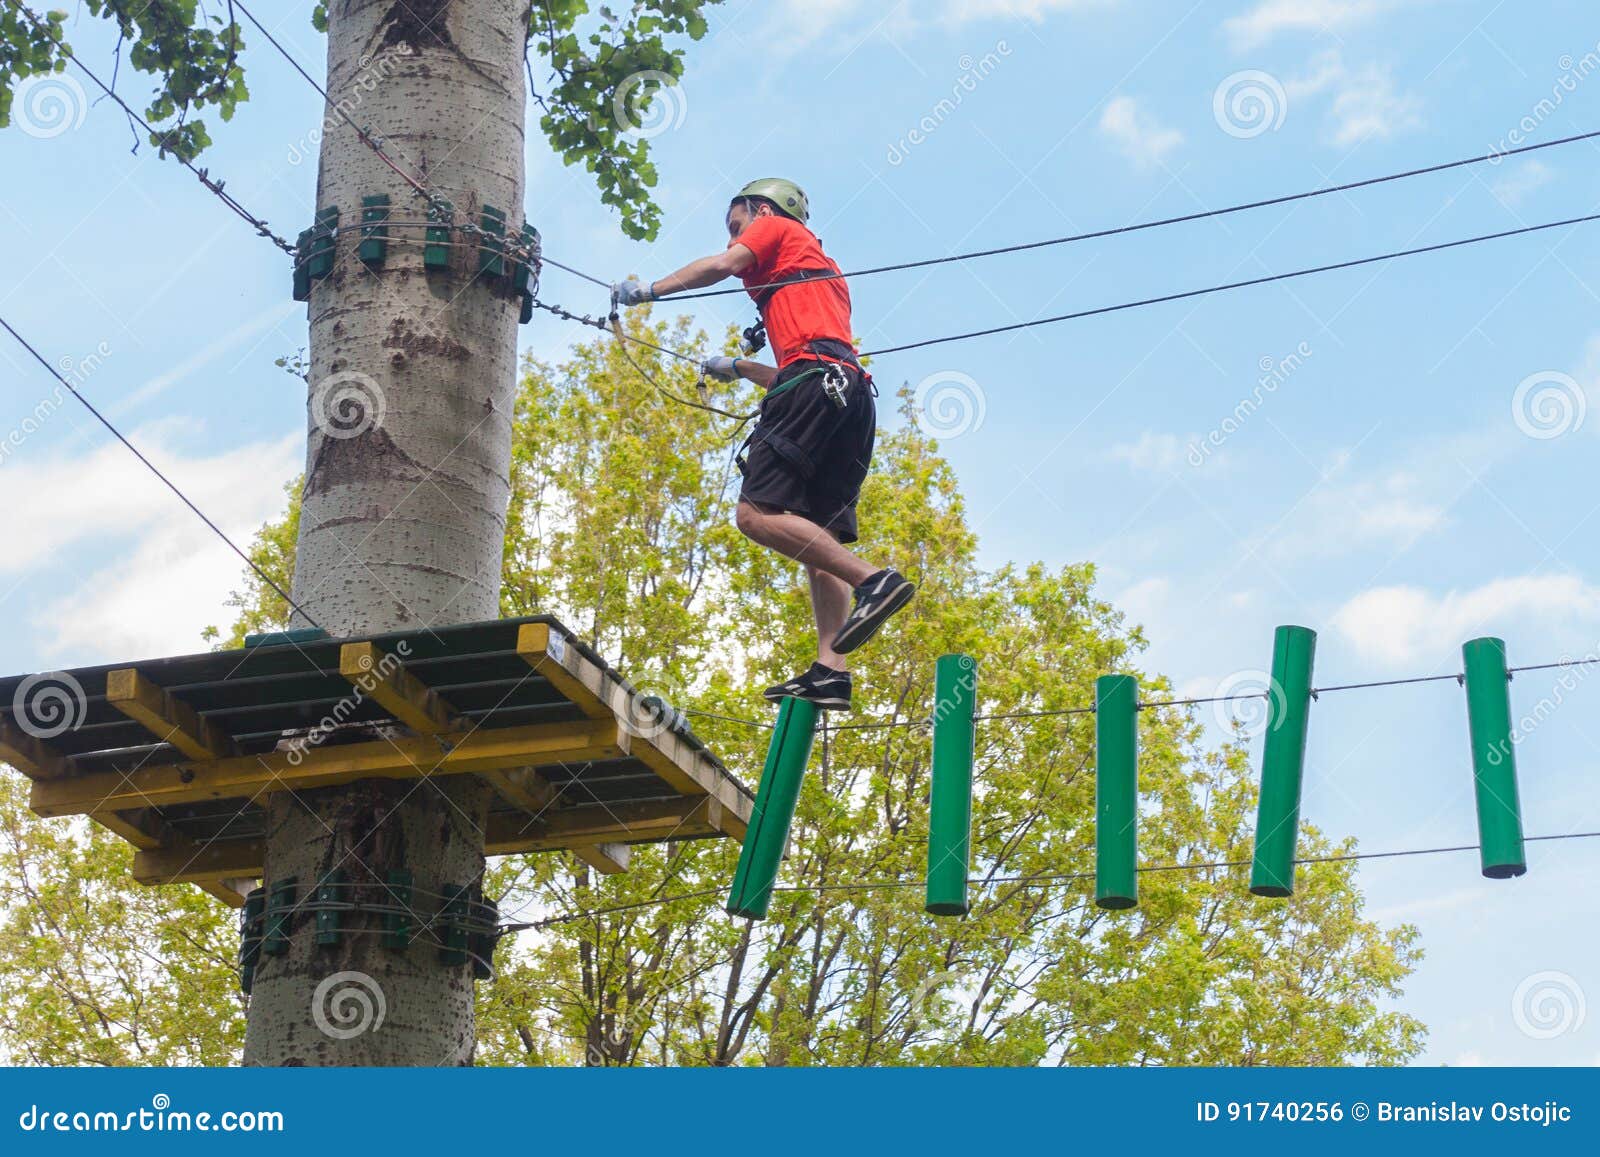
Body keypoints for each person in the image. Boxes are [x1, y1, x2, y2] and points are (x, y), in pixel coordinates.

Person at [613, 178, 914, 711]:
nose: (735, 241)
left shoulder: (779, 227)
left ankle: (877, 582)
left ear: (763, 211)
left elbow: (721, 268)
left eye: (737, 227)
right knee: (819, 543)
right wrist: (738, 367)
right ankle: (831, 672)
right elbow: (800, 372)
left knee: (755, 516)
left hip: (815, 382)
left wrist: (649, 292)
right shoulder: (817, 278)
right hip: (848, 393)